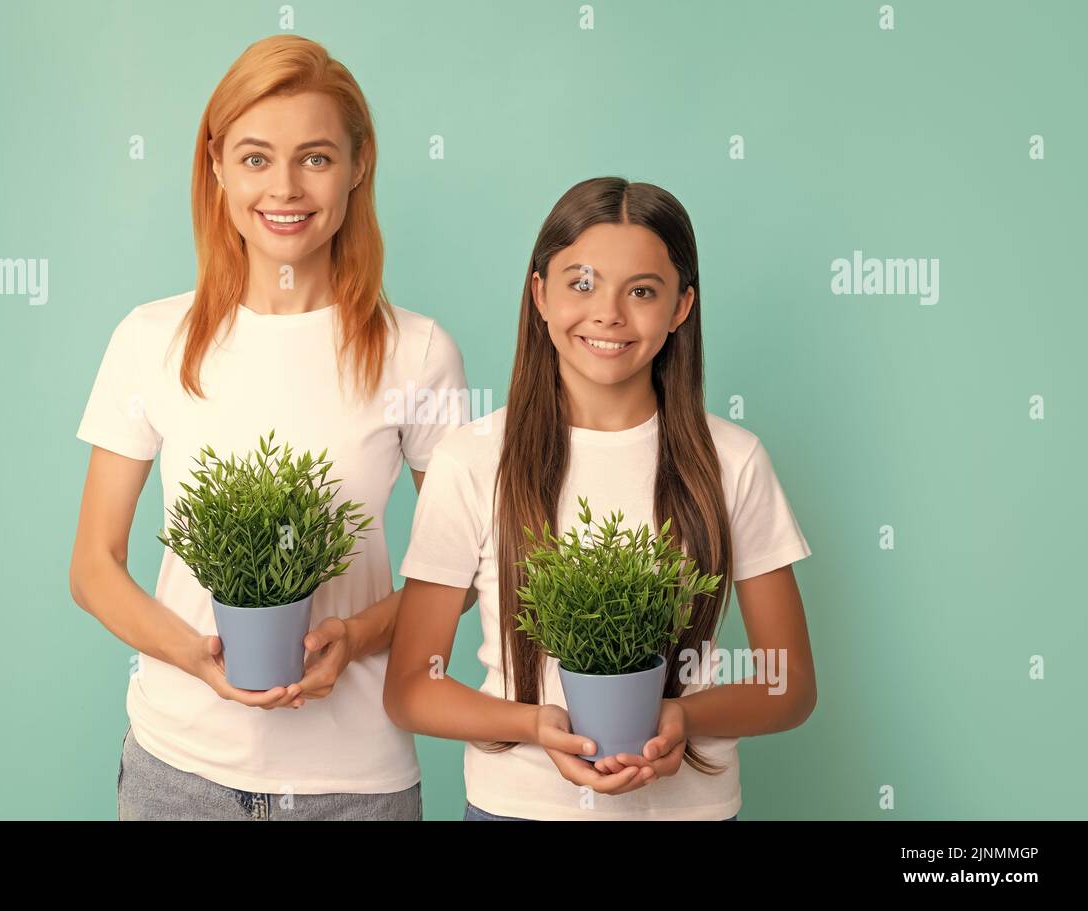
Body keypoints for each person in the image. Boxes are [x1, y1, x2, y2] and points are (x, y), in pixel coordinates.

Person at [70, 34, 470, 821]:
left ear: (359, 166)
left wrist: (353, 636)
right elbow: (93, 566)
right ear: (216, 166)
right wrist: (199, 656)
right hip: (177, 774)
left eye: (315, 158)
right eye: (256, 157)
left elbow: (451, 579)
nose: (284, 187)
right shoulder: (152, 341)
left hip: (356, 784)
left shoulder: (418, 353)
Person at [383, 176, 815, 820]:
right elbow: (412, 687)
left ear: (680, 308)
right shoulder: (473, 460)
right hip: (519, 808)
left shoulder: (733, 461)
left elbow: (790, 685)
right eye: (581, 283)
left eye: (642, 291)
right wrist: (535, 725)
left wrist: (682, 717)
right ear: (540, 295)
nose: (609, 312)